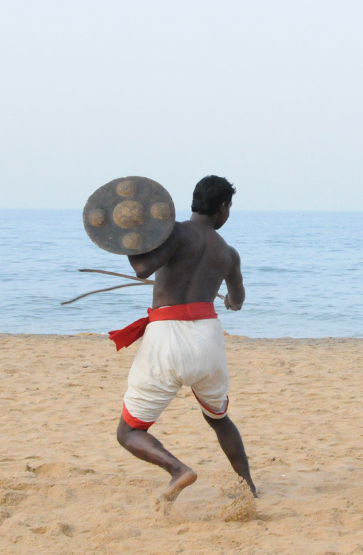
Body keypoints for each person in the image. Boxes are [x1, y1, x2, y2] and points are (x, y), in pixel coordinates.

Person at [109, 175, 256, 508]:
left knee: (128, 432)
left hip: (166, 339)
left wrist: (130, 238)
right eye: (229, 206)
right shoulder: (228, 253)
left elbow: (143, 269)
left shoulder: (174, 232)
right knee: (218, 419)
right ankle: (249, 487)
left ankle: (177, 470)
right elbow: (237, 298)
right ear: (222, 207)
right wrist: (231, 302)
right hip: (208, 340)